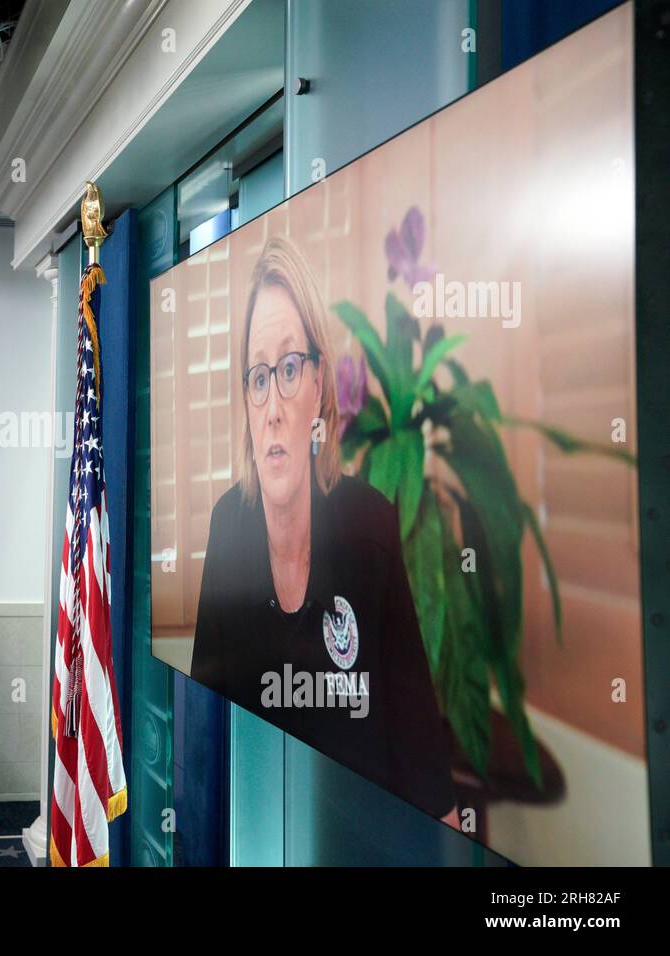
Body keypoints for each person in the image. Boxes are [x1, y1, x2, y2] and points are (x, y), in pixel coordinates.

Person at [189, 237, 459, 827]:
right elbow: (204, 738)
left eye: (289, 368)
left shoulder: (371, 524)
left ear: (319, 387)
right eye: (258, 378)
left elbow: (421, 757)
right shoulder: (227, 526)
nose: (274, 406)